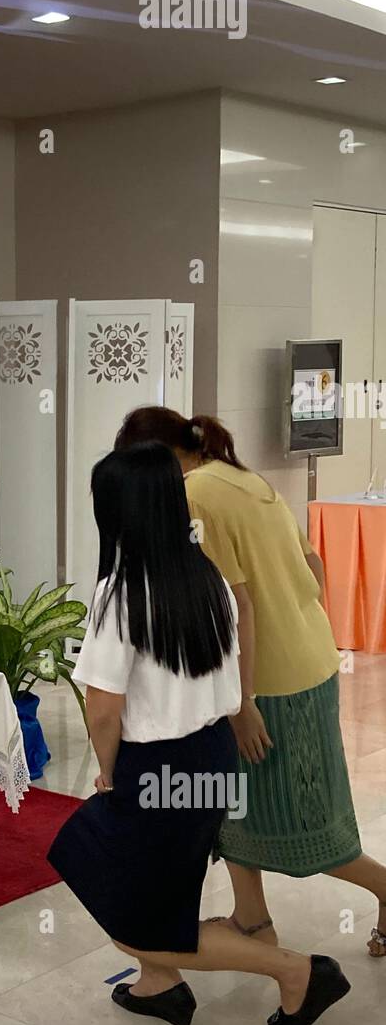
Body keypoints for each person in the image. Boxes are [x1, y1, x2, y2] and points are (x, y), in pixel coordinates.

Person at [48, 443, 351, 1025]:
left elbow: (104, 709)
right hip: (211, 755)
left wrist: (107, 771)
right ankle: (159, 985)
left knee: (131, 913)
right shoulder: (206, 577)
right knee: (149, 886)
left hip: (158, 765)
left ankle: (296, 972)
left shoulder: (122, 592)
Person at [115, 406, 386, 960]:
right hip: (305, 661)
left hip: (267, 684)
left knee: (307, 823)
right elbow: (312, 568)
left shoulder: (195, 498)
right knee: (232, 807)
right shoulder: (245, 478)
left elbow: (235, 605)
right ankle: (251, 918)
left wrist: (243, 704)